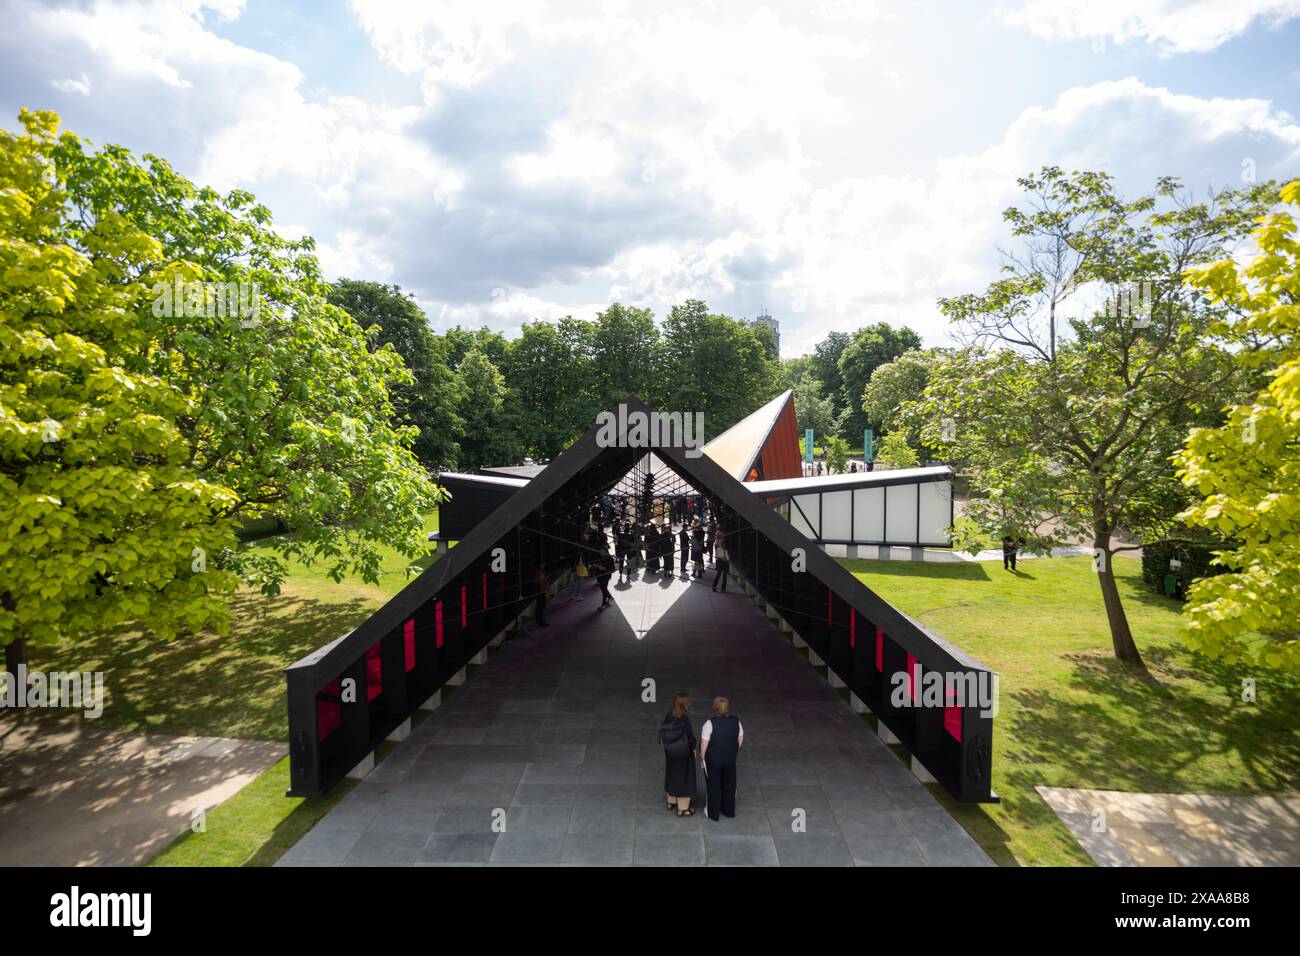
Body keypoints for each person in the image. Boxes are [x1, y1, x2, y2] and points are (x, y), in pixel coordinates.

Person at [700, 697, 743, 821]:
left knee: (713, 785)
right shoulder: (736, 722)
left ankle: (713, 813)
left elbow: (704, 744)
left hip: (713, 761)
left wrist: (703, 756)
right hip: (730, 759)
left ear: (715, 708)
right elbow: (740, 738)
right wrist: (733, 751)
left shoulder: (709, 723)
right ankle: (729, 810)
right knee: (730, 784)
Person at [659, 693, 697, 816]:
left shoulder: (669, 715)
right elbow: (691, 739)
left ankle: (671, 801)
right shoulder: (684, 720)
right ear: (683, 705)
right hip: (684, 754)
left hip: (671, 752)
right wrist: (694, 749)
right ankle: (683, 808)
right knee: (684, 778)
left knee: (671, 773)